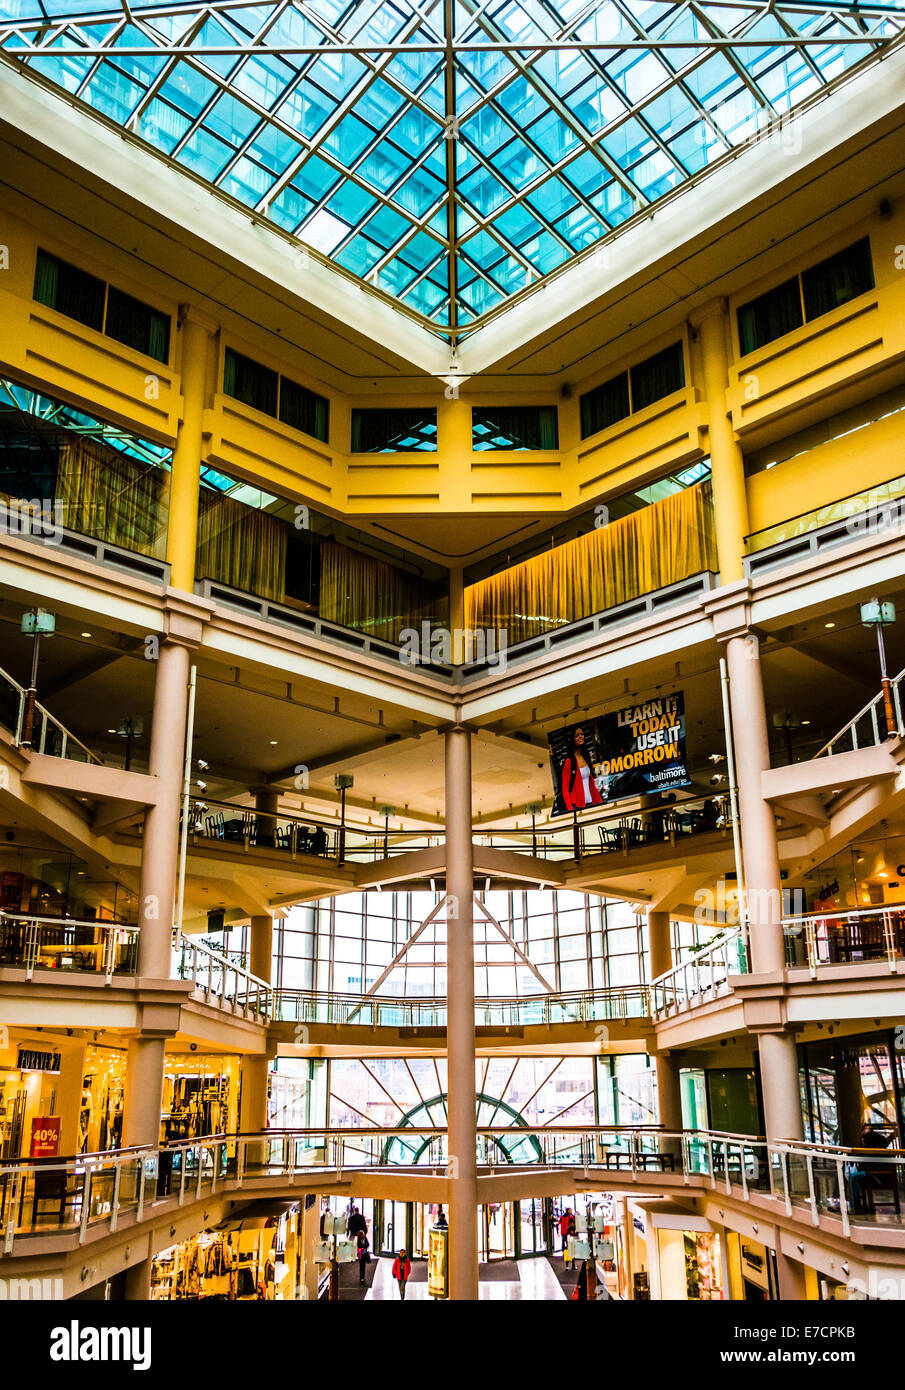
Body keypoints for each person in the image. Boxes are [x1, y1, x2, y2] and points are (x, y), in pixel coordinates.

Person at [559, 727, 603, 811]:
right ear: (572, 739)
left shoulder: (586, 757)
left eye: (582, 734)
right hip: (576, 806)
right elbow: (565, 789)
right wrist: (570, 809)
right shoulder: (569, 761)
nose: (580, 736)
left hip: (590, 803)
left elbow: (591, 784)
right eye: (577, 735)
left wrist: (599, 801)